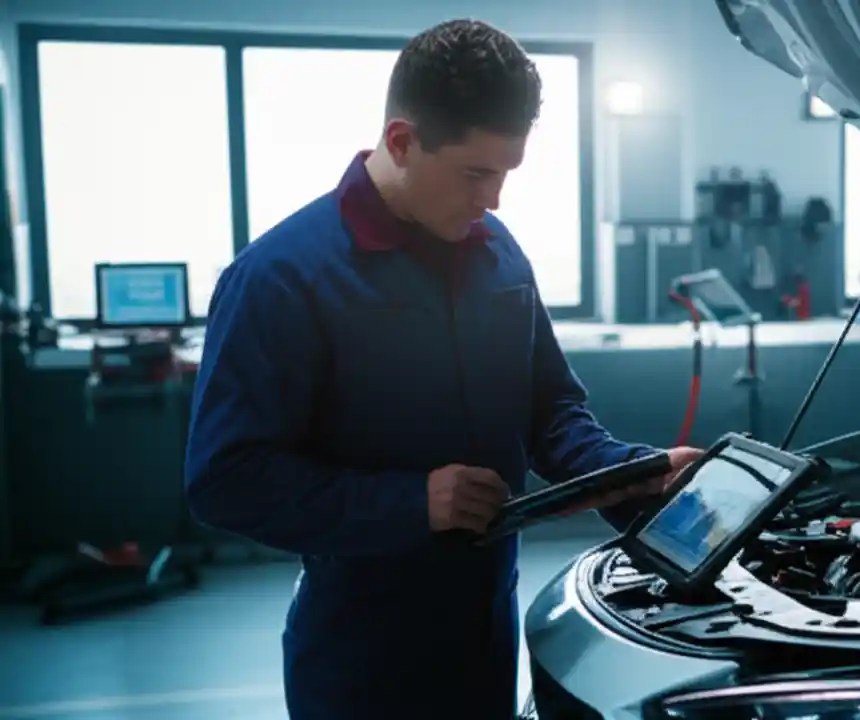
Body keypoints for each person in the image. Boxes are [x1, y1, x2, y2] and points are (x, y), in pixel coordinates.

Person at [184, 19, 701, 719]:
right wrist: (411, 503)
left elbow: (550, 412)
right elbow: (225, 481)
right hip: (361, 664)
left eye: (507, 174)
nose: (494, 200)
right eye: (476, 173)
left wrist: (636, 476)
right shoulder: (279, 279)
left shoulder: (497, 253)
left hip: (488, 640)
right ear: (401, 142)